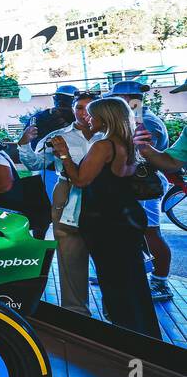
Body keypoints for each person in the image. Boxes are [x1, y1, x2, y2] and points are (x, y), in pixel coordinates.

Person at [54, 97, 159, 338]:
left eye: (92, 114)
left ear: (105, 117)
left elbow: (80, 180)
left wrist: (63, 154)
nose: (88, 119)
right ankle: (144, 334)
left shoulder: (103, 145)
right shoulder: (127, 143)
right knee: (132, 280)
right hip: (127, 216)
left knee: (113, 280)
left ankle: (124, 337)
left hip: (104, 220)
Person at [19, 91, 97, 316]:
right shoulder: (59, 136)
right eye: (80, 107)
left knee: (108, 251)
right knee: (70, 253)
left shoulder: (109, 135)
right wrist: (24, 144)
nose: (85, 113)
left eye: (90, 107)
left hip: (103, 194)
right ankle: (75, 312)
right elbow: (35, 163)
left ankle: (116, 312)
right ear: (73, 110)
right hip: (67, 190)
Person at [110, 80, 172, 302]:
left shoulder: (144, 120)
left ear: (126, 99)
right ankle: (135, 275)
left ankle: (161, 282)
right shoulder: (136, 117)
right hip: (136, 185)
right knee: (138, 234)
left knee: (151, 233)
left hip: (145, 186)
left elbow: (144, 154)